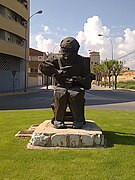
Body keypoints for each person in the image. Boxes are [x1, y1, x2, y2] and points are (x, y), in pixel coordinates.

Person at [39, 37, 95, 129]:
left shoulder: (82, 61)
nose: (66, 55)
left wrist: (79, 79)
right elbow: (43, 66)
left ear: (75, 52)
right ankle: (58, 120)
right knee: (60, 94)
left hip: (75, 86)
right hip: (61, 86)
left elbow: (87, 80)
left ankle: (78, 120)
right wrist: (57, 72)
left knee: (75, 94)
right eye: (64, 52)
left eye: (70, 53)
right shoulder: (55, 58)